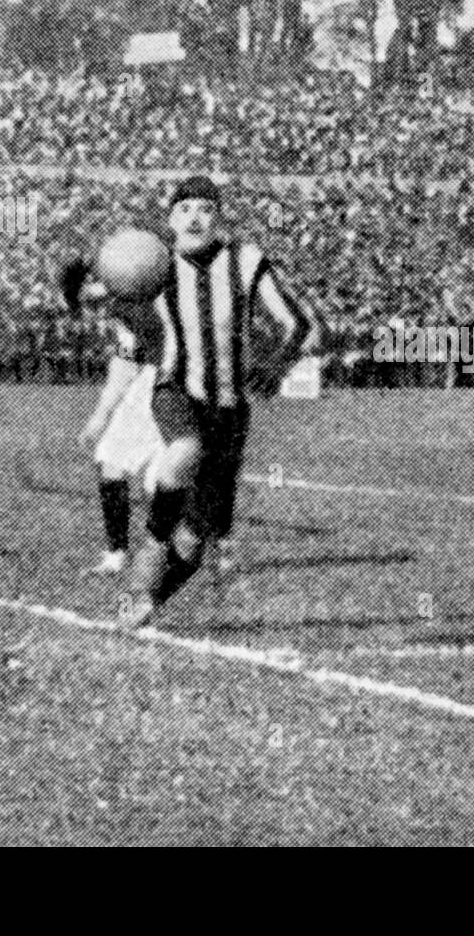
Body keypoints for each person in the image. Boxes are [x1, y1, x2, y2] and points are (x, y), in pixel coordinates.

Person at [124, 176, 316, 628]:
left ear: (219, 218)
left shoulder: (245, 261)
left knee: (193, 543)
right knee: (183, 452)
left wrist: (274, 367)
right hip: (177, 389)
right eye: (185, 208)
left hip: (229, 411)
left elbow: (298, 323)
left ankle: (144, 599)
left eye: (205, 208)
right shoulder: (156, 265)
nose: (195, 216)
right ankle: (152, 543)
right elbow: (122, 303)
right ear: (171, 220)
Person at [61, 256, 166, 576]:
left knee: (116, 462)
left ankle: (120, 555)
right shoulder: (133, 296)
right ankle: (136, 553)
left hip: (162, 377)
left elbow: (126, 364)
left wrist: (99, 417)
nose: (94, 310)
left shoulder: (129, 299)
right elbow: (126, 360)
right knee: (155, 477)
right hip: (172, 377)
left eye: (91, 301)